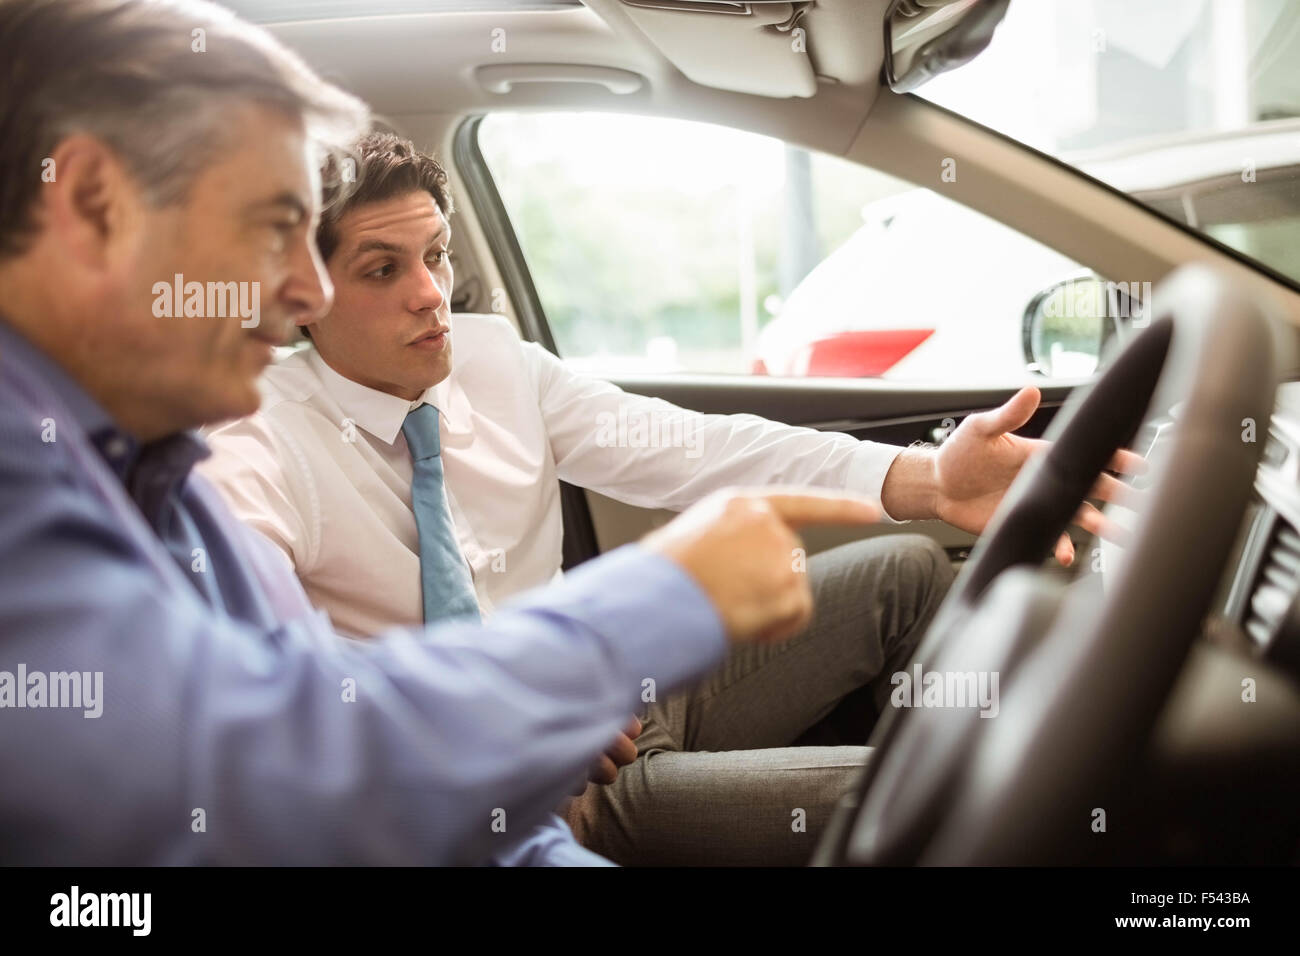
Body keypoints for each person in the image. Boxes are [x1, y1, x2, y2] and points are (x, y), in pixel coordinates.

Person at [0, 0, 881, 866]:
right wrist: (641, 617)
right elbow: (263, 776)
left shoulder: (164, 471)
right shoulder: (62, 474)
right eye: (271, 229)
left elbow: (316, 726)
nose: (305, 296)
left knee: (905, 573)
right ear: (93, 203)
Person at [200, 133, 1139, 864]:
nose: (431, 296)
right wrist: (525, 699)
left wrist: (928, 478)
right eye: (383, 270)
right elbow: (263, 688)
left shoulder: (494, 363)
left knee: (904, 572)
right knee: (948, 792)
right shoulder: (255, 438)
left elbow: (690, 448)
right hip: (527, 795)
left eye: (436, 256)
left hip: (624, 695)